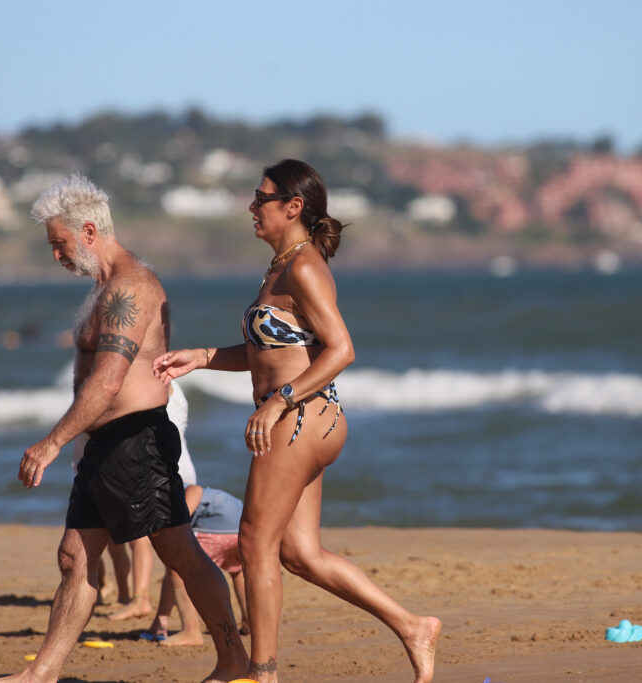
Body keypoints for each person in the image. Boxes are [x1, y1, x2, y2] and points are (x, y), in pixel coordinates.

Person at [153, 159, 441, 683]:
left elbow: (342, 348)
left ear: (293, 207)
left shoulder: (303, 266)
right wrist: (203, 355)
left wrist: (278, 400)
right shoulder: (280, 267)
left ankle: (260, 674)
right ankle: (412, 626)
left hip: (301, 418)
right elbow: (270, 349)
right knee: (299, 553)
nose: (251, 207)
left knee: (255, 541)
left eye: (261, 198)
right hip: (312, 420)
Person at [0, 173, 247, 683]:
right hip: (104, 445)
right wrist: (82, 442)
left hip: (136, 441)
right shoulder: (103, 289)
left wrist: (53, 442)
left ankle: (234, 660)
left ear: (90, 231)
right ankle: (42, 674)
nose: (57, 256)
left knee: (178, 550)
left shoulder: (132, 288)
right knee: (75, 555)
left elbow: (109, 380)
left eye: (60, 244)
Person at [102, 383, 199, 620]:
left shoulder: (146, 383)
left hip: (160, 470)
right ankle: (164, 621)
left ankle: (140, 599)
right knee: (177, 549)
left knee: (145, 540)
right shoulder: (174, 384)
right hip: (182, 468)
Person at [141, 485, 250, 645]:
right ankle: (249, 622)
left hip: (220, 527)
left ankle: (191, 631)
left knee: (178, 566)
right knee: (236, 569)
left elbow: (195, 490)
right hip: (241, 526)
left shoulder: (183, 490)